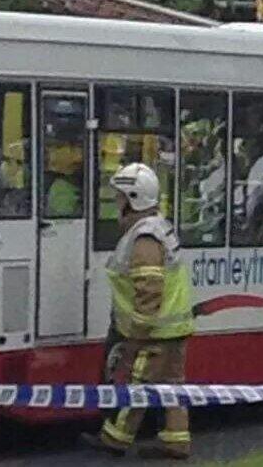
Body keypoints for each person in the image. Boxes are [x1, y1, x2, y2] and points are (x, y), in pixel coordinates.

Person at [82, 163, 195, 460]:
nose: (116, 203)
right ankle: (176, 440)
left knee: (136, 385)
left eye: (119, 197)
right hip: (174, 330)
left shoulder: (144, 239)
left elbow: (148, 292)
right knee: (172, 388)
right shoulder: (159, 228)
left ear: (132, 199)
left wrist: (136, 336)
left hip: (154, 333)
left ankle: (115, 439)